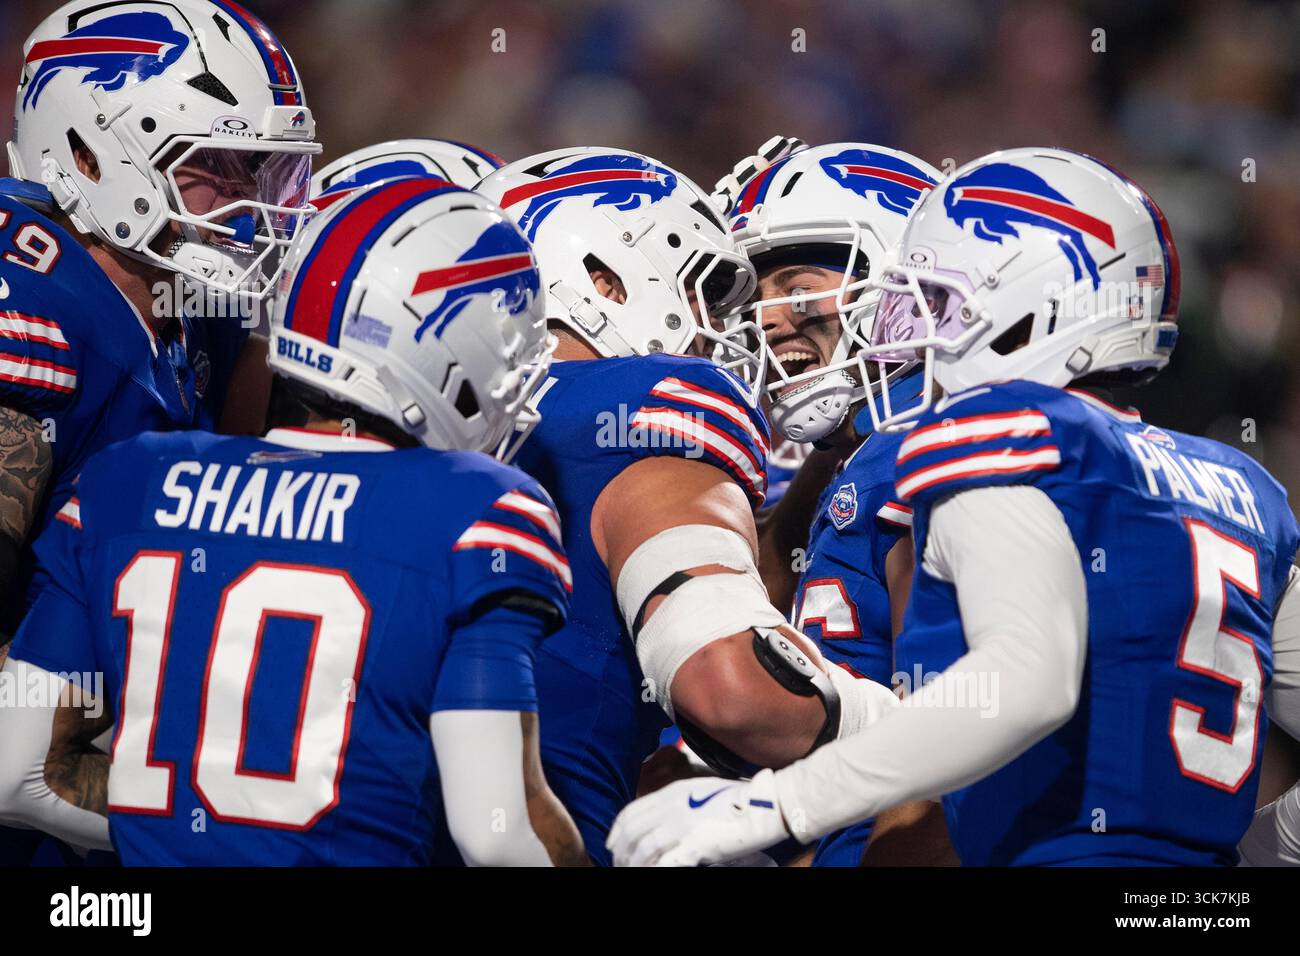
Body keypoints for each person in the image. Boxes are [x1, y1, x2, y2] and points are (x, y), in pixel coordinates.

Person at [608, 147, 1300, 868]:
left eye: (930, 299)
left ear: (1038, 301)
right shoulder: (1243, 484)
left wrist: (775, 805)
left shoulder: (998, 435)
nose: (904, 330)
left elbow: (1019, 687)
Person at [0, 176, 586, 866]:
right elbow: (500, 835)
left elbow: (18, 774)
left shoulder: (126, 480)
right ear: (455, 354)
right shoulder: (479, 512)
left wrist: (200, 823)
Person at [476, 147, 897, 863]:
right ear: (604, 282)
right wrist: (930, 732)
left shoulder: (433, 425)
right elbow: (730, 688)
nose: (728, 333)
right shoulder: (643, 407)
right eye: (703, 293)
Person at [0, 0, 319, 864]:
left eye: (262, 168)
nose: (250, 199)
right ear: (87, 151)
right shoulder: (31, 305)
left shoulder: (199, 307)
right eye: (213, 164)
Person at [724, 140, 948, 865]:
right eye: (754, 299)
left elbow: (946, 744)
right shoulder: (862, 456)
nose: (768, 320)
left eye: (795, 285)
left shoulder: (919, 451)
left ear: (897, 283)